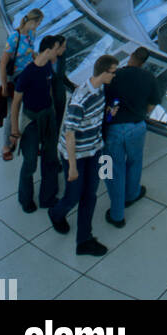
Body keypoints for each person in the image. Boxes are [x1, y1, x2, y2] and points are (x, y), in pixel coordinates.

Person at [48, 53, 119, 257]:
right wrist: (71, 166)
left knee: (90, 194)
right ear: (104, 72)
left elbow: (95, 115)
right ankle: (56, 213)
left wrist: (108, 112)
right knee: (73, 196)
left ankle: (84, 240)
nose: (115, 76)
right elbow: (70, 134)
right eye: (113, 72)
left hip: (94, 149)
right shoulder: (80, 99)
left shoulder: (101, 89)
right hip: (76, 155)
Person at [103, 47, 160, 226]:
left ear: (131, 57)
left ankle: (117, 215)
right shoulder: (149, 78)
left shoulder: (116, 75)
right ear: (144, 62)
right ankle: (132, 194)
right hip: (137, 127)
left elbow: (104, 102)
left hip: (114, 129)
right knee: (135, 161)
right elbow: (151, 106)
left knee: (112, 169)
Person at [9, 34, 63, 213]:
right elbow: (16, 103)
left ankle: (48, 197)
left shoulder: (48, 65)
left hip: (48, 117)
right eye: (57, 49)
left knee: (50, 157)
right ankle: (25, 198)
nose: (59, 52)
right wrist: (15, 129)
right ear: (48, 51)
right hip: (31, 120)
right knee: (30, 161)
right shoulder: (27, 74)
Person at [0, 9, 43, 159]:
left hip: (29, 74)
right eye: (38, 22)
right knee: (13, 112)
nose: (39, 25)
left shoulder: (31, 35)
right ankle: (6, 144)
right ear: (33, 22)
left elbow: (31, 53)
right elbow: (3, 63)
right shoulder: (14, 38)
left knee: (32, 109)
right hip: (17, 77)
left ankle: (30, 141)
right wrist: (4, 85)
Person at [52, 35, 75, 130]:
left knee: (56, 124)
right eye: (63, 47)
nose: (65, 49)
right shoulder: (45, 60)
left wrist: (72, 86)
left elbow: (62, 75)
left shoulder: (62, 58)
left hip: (59, 96)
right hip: (48, 97)